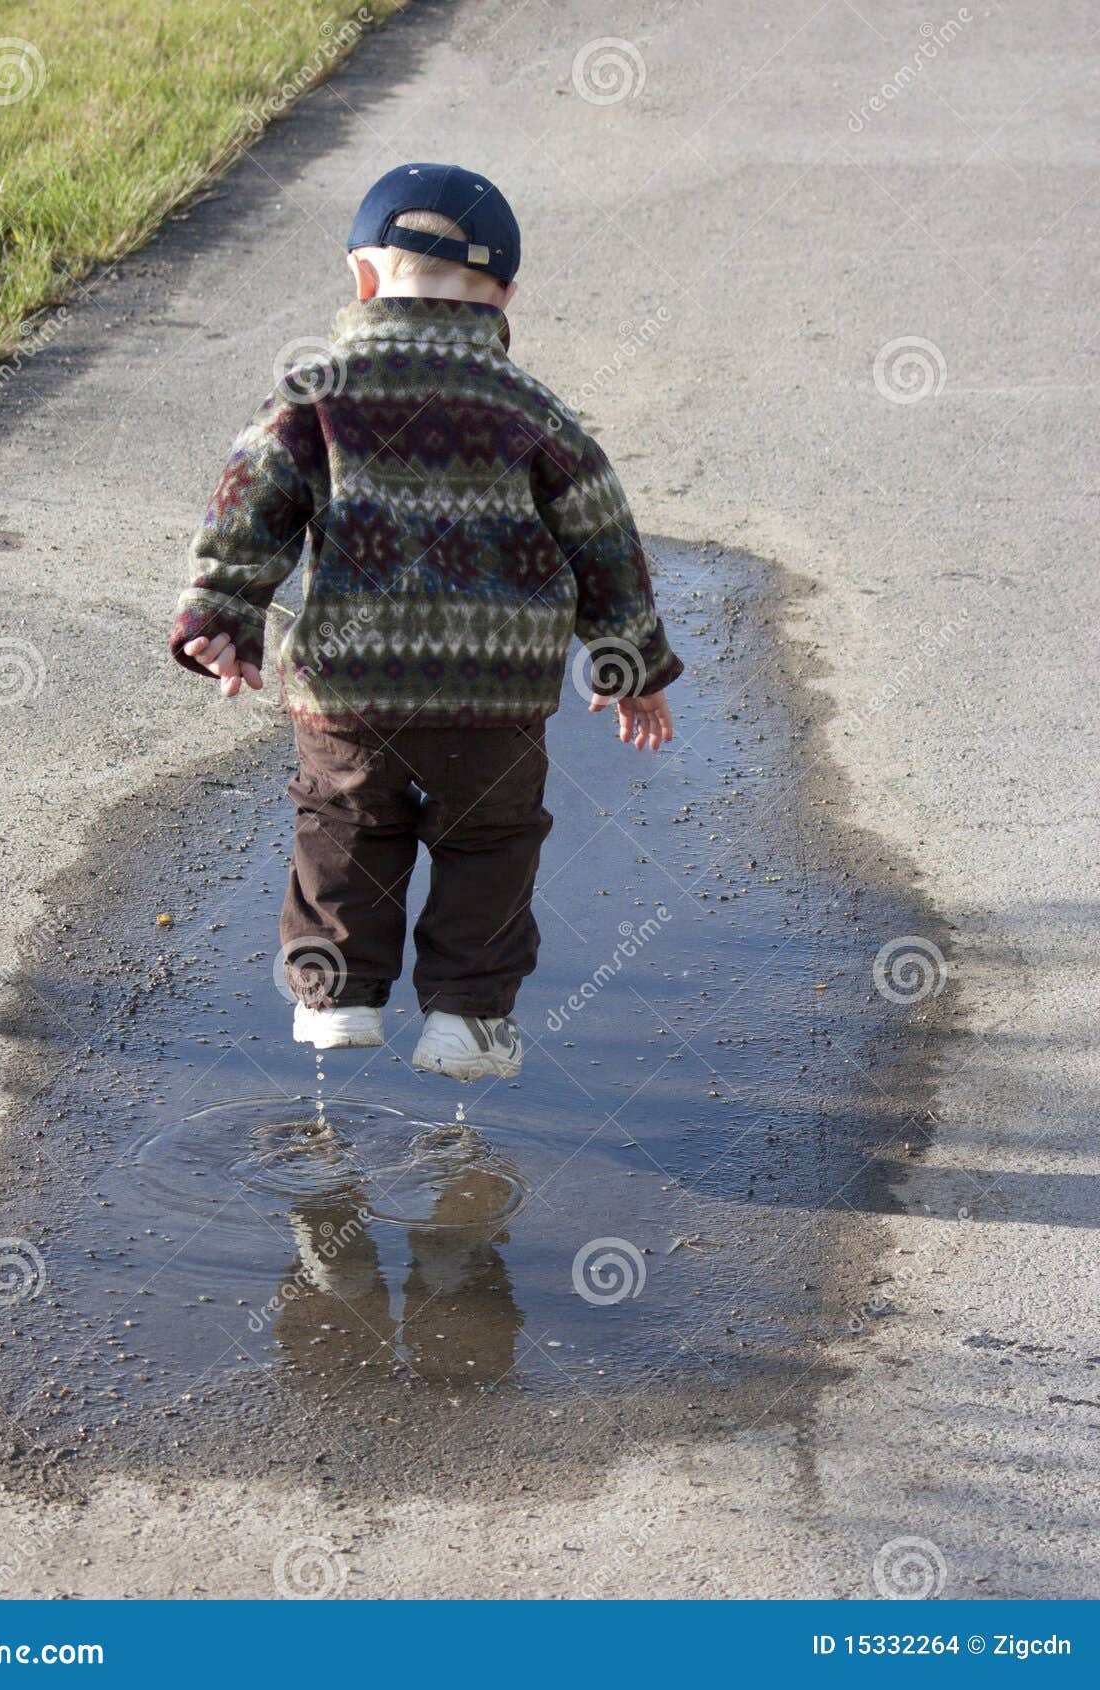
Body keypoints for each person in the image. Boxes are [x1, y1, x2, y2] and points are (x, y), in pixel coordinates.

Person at [169, 163, 681, 1080]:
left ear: (361, 279)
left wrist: (224, 613)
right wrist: (627, 662)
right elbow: (603, 533)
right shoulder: (530, 409)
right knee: (490, 841)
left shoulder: (316, 388)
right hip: (494, 696)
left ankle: (338, 999)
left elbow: (250, 500)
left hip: (351, 685)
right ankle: (469, 1022)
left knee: (342, 822)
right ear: (504, 296)